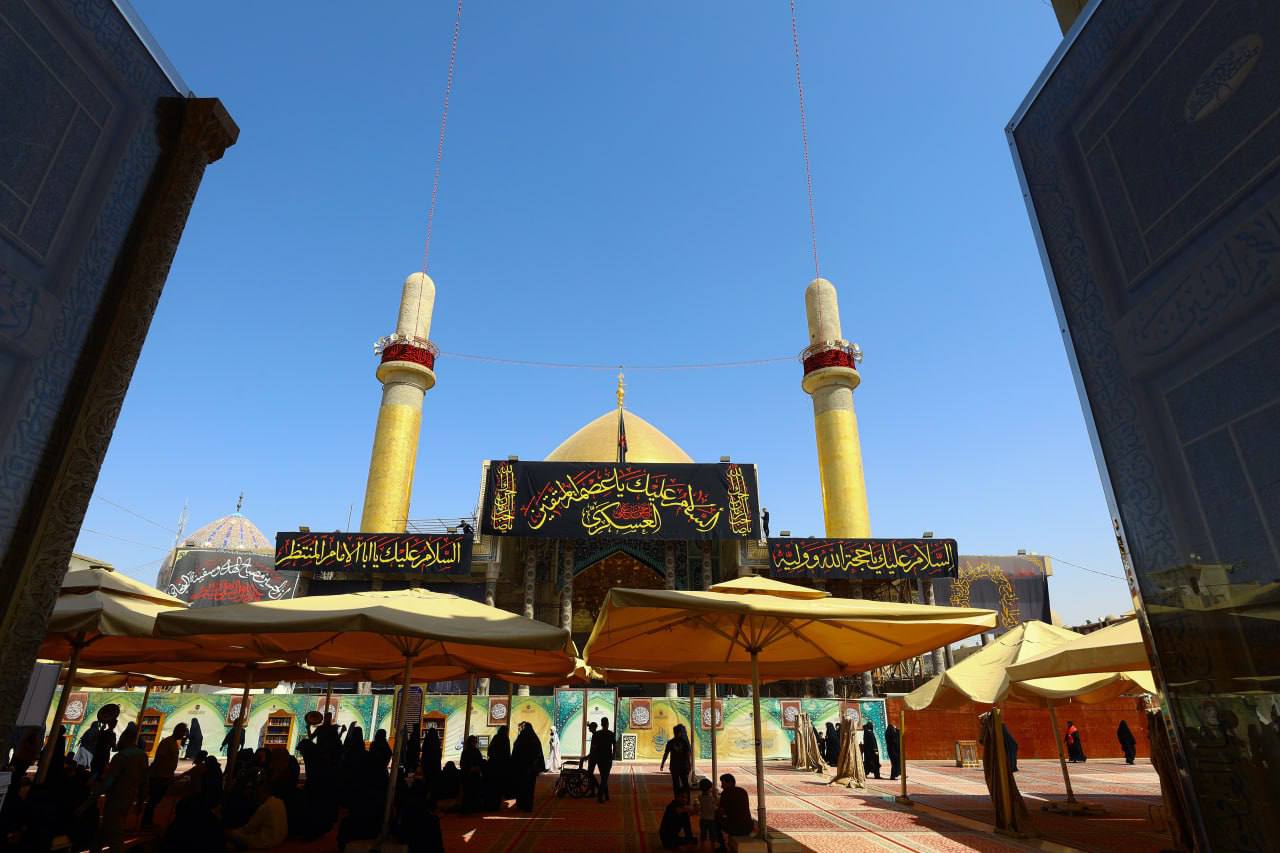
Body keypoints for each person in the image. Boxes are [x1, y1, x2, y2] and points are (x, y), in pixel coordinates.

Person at [93, 727, 148, 853]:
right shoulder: (142, 756)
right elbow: (145, 781)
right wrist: (140, 801)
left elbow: (110, 780)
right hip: (130, 797)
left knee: (114, 834)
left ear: (125, 739)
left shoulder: (121, 757)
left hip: (116, 798)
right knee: (107, 829)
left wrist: (92, 797)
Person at [143, 722, 188, 826]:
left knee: (156, 799)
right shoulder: (167, 742)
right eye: (183, 731)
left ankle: (147, 821)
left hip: (165, 775)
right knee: (153, 800)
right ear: (178, 731)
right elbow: (159, 758)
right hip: (159, 776)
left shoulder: (173, 743)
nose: (184, 734)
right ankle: (146, 822)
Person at [226, 778, 288, 849]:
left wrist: (231, 833)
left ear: (265, 791)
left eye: (258, 792)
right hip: (278, 840)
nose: (256, 795)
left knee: (230, 839)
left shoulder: (265, 807)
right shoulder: (280, 802)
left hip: (265, 843)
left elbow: (248, 828)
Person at [510, 721, 546, 811]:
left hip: (521, 768)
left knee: (521, 786)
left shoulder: (520, 739)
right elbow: (538, 754)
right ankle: (528, 806)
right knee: (529, 788)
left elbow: (515, 753)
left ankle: (521, 804)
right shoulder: (534, 739)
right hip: (531, 769)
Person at [660, 724, 693, 796]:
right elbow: (688, 755)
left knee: (678, 784)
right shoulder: (684, 742)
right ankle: (685, 800)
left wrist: (662, 764)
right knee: (683, 784)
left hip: (678, 766)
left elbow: (666, 754)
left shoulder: (672, 742)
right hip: (681, 766)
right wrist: (689, 766)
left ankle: (680, 800)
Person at [716, 774, 753, 838]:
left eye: (723, 783)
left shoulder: (726, 793)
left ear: (730, 783)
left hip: (735, 828)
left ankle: (722, 845)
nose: (722, 786)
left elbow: (721, 811)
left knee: (713, 819)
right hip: (748, 827)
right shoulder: (743, 791)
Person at [590, 717, 616, 803]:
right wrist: (613, 756)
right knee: (605, 777)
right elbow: (615, 746)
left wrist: (592, 757)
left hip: (600, 759)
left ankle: (606, 795)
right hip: (608, 758)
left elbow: (594, 748)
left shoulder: (597, 734)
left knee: (603, 777)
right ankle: (600, 796)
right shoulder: (611, 734)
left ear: (601, 724)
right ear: (608, 724)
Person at [696, 777, 722, 851]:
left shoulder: (700, 797)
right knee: (712, 834)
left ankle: (702, 846)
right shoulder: (712, 798)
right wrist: (716, 795)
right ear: (710, 788)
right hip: (711, 819)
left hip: (702, 818)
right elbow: (717, 803)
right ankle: (713, 847)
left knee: (703, 833)